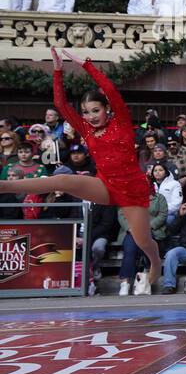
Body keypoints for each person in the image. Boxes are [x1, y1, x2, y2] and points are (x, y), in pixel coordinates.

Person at [0, 49, 163, 286]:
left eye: (95, 110)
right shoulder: (86, 129)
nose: (91, 116)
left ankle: (155, 260)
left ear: (106, 109)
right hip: (105, 184)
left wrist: (86, 65)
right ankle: (5, 186)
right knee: (63, 180)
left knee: (143, 241)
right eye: (86, 112)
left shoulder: (121, 121)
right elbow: (60, 104)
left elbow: (110, 90)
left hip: (132, 189)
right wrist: (58, 71)